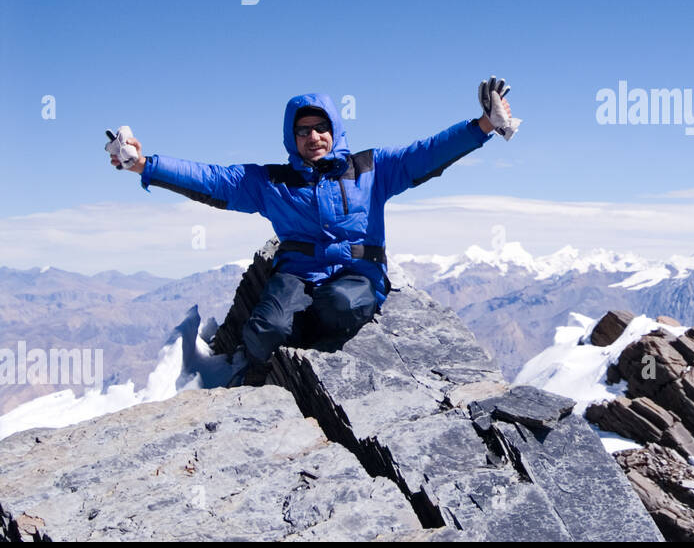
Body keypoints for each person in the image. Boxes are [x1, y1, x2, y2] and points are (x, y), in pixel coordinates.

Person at [108, 78, 519, 386]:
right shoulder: (273, 182)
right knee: (265, 330)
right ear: (292, 137)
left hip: (358, 272)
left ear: (335, 129)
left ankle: (305, 350)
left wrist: (483, 124)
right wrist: (145, 165)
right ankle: (252, 372)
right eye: (302, 131)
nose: (313, 137)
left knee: (341, 307)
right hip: (298, 272)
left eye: (320, 127)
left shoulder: (372, 169)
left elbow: (428, 152)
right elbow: (211, 179)